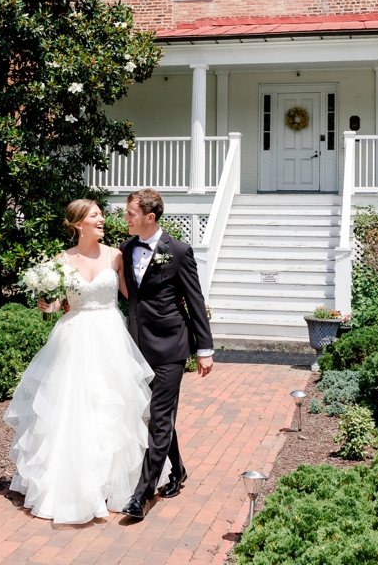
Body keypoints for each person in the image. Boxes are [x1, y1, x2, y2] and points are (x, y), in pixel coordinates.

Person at [3, 199, 156, 525]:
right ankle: (72, 484)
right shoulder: (61, 261)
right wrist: (46, 303)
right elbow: (55, 304)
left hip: (110, 337)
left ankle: (110, 483)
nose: (102, 219)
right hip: (72, 338)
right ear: (78, 223)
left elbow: (134, 296)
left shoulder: (116, 255)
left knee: (109, 408)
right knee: (72, 409)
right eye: (95, 215)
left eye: (101, 214)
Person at [119, 188, 214, 520]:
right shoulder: (127, 248)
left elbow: (195, 301)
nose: (125, 218)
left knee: (159, 418)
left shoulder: (179, 251)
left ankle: (141, 496)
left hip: (171, 346)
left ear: (150, 217)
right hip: (136, 346)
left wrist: (204, 349)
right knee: (154, 416)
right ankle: (178, 470)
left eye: (130, 213)